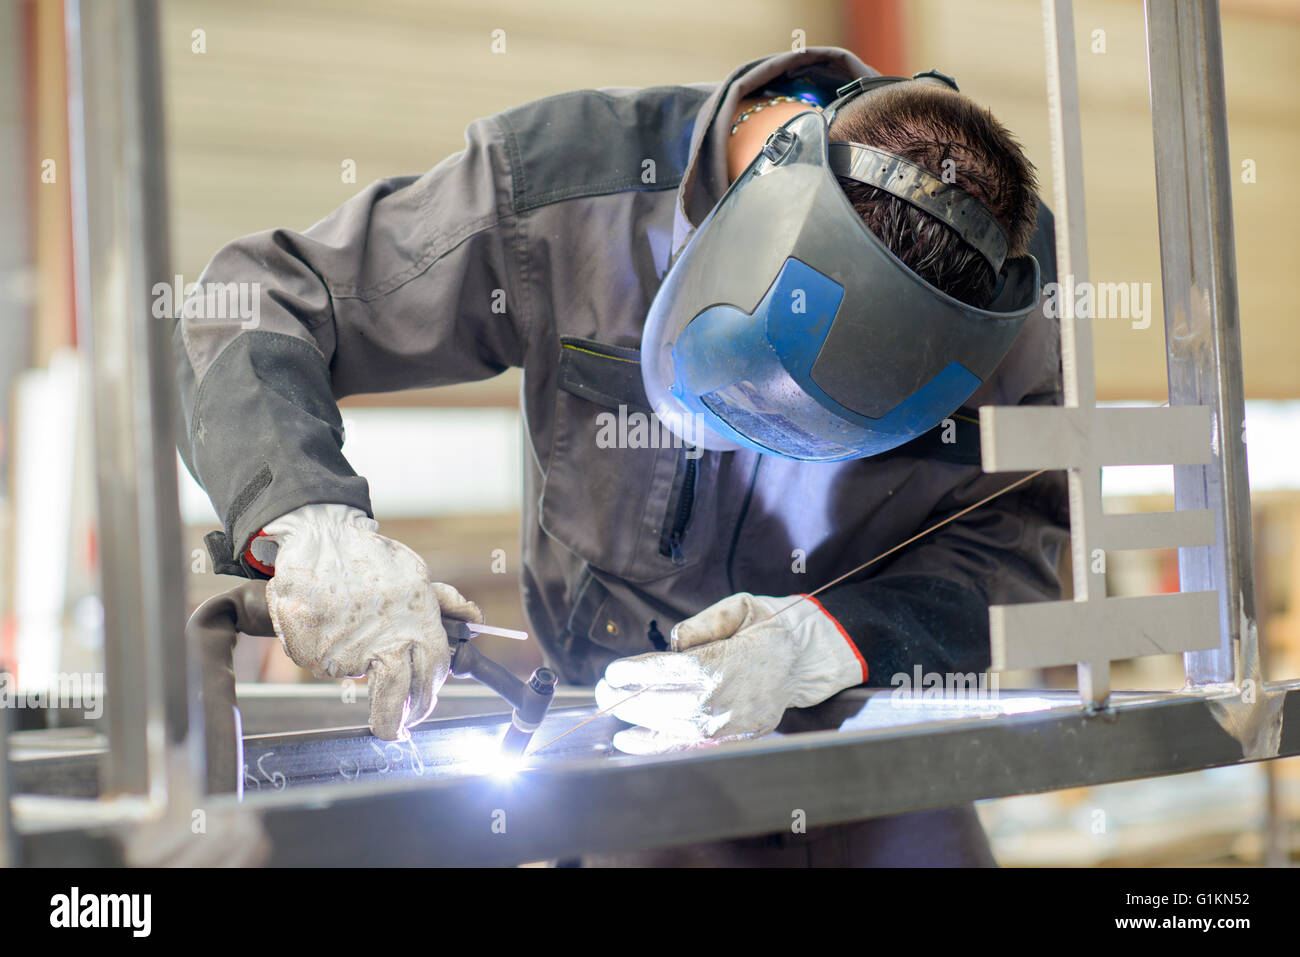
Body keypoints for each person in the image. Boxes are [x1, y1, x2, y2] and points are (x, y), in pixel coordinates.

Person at [175, 46, 1067, 866]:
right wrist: (319, 526)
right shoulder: (568, 196)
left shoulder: (1003, 294)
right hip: (625, 778)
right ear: (762, 195)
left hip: (877, 778)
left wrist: (826, 644)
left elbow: (1018, 538)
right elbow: (254, 300)